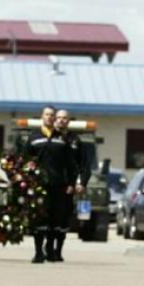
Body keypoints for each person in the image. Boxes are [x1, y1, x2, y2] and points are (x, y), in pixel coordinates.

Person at [22, 106, 79, 264]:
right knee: (39, 219)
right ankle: (38, 251)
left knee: (56, 219)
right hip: (39, 186)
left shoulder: (62, 139)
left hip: (58, 185)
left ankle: (51, 250)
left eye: (52, 115)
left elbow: (71, 164)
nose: (50, 117)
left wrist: (71, 183)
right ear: (42, 116)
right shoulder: (33, 137)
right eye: (47, 115)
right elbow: (25, 160)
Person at [50, 108, 85, 262]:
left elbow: (84, 165)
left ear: (68, 121)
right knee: (49, 218)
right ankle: (48, 248)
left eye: (64, 118)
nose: (61, 120)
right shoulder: (48, 138)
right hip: (51, 184)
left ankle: (58, 250)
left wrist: (81, 182)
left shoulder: (75, 141)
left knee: (63, 219)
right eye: (58, 117)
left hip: (68, 186)